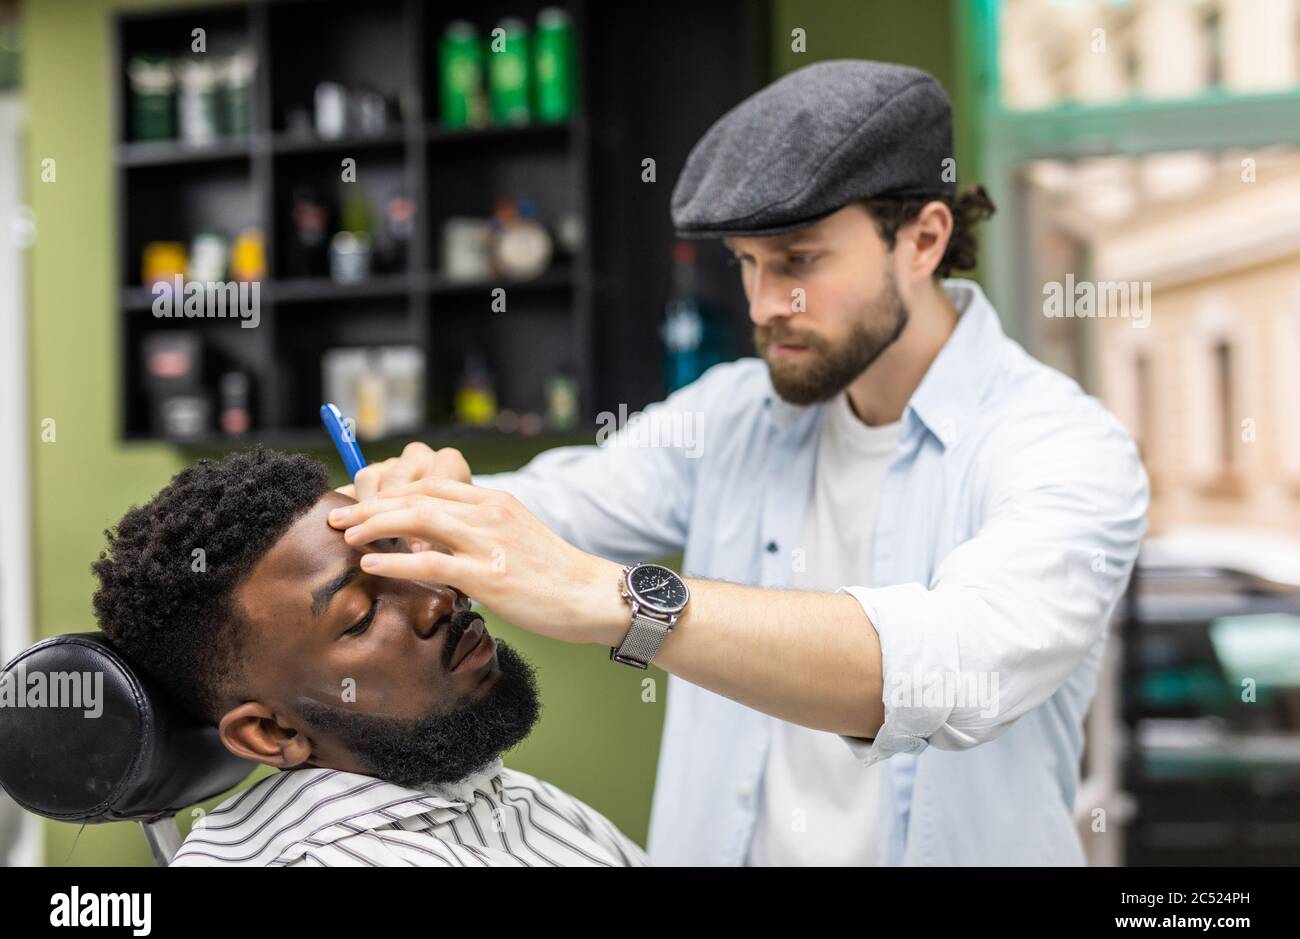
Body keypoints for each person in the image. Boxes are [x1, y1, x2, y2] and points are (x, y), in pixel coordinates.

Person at [323, 59, 1151, 866]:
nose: (761, 308)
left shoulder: (1062, 445)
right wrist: (417, 504)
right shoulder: (734, 413)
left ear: (924, 239)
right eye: (747, 265)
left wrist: (615, 601)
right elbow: (555, 503)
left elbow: (961, 664)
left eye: (798, 262)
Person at [90, 447, 648, 867]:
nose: (439, 599)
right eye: (360, 616)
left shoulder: (501, 795)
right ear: (270, 732)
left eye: (401, 555)